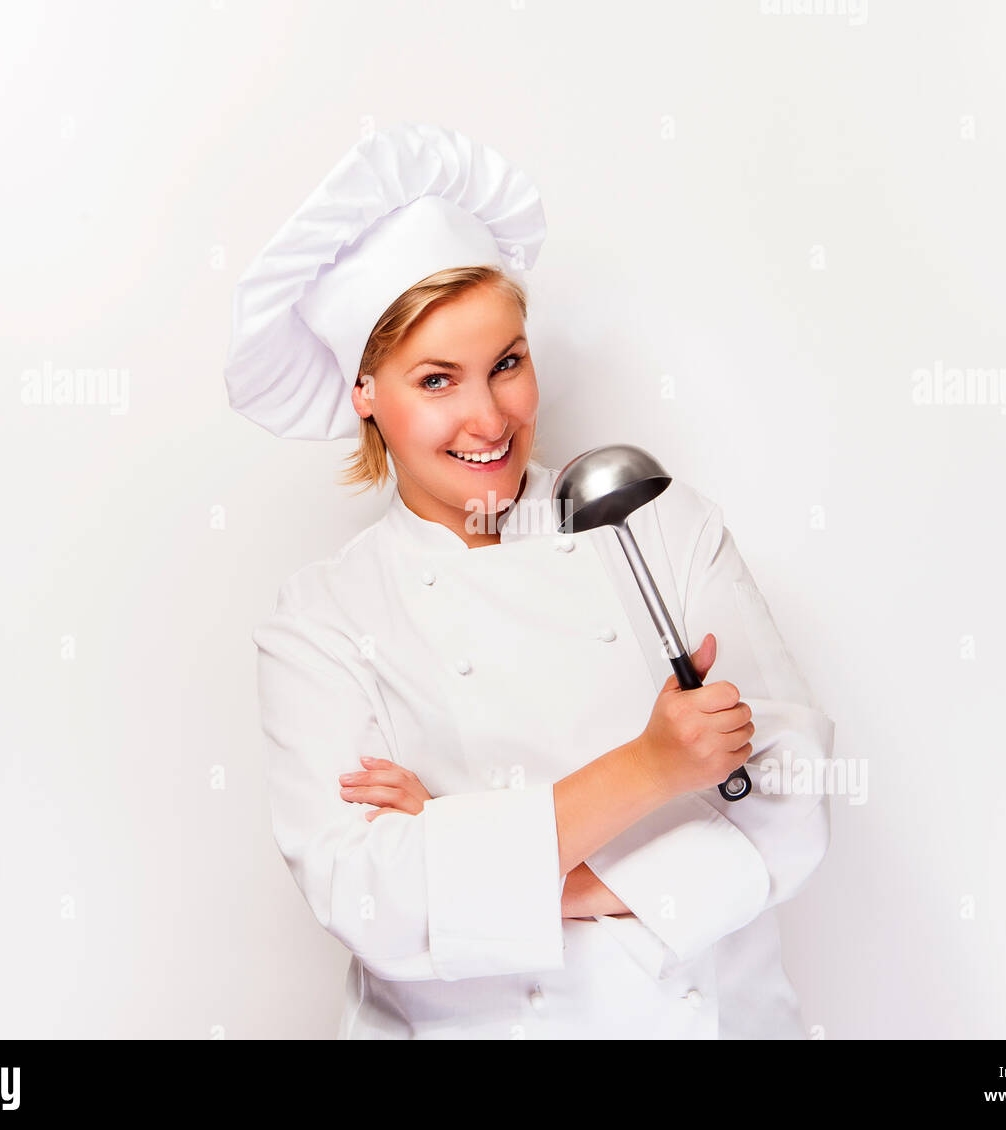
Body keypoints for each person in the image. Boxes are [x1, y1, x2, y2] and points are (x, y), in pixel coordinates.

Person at [224, 122, 836, 1039]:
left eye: (506, 363)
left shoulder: (652, 519)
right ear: (366, 393)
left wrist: (478, 850)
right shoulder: (323, 620)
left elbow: (794, 799)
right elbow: (371, 901)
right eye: (437, 381)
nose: (489, 418)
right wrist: (651, 771)